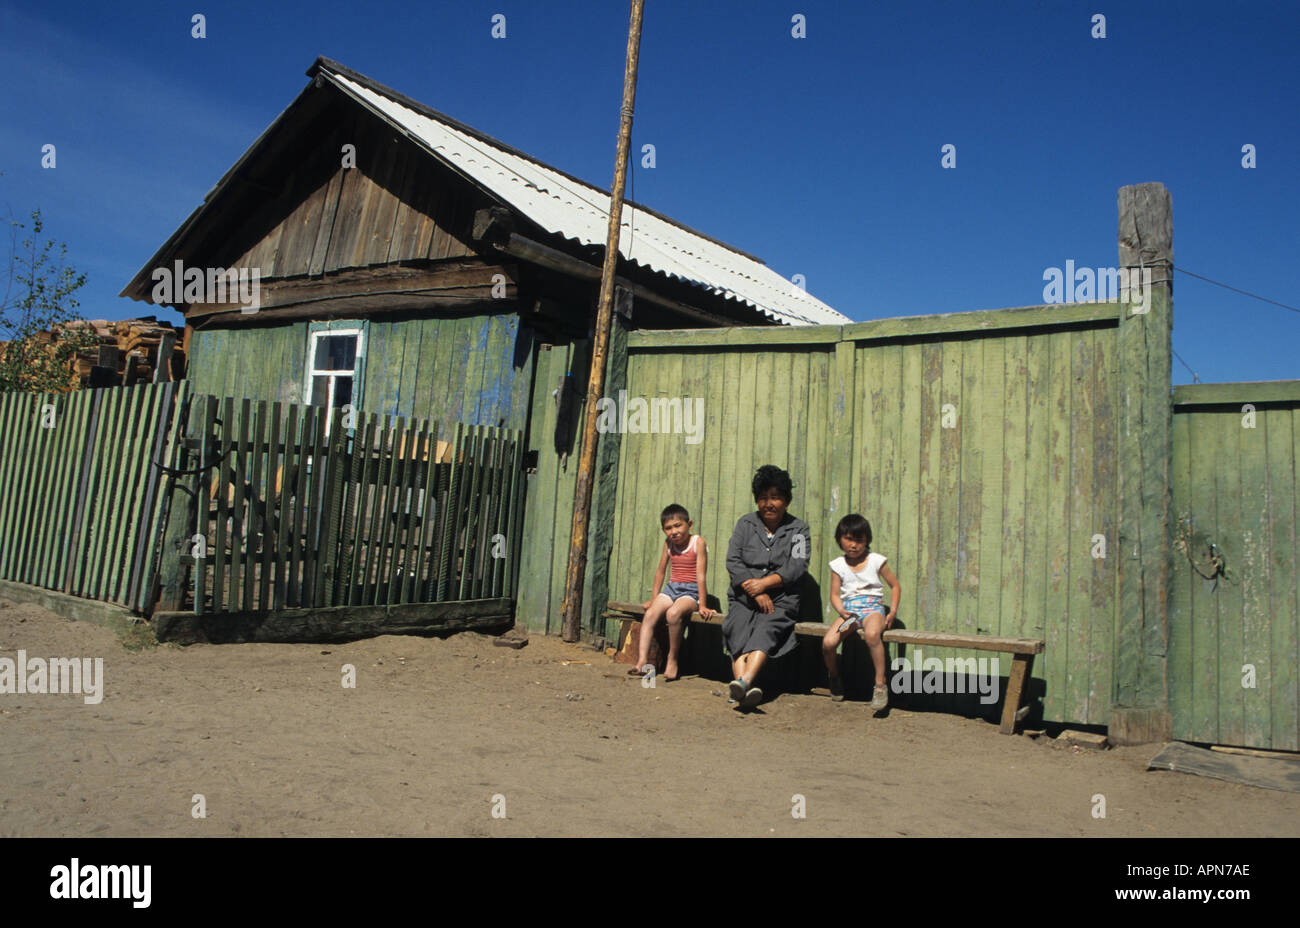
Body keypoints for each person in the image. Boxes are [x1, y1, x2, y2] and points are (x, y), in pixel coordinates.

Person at [722, 465, 810, 710]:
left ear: (786, 500)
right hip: (744, 598)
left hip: (782, 599)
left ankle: (743, 682)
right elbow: (733, 560)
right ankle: (742, 687)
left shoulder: (799, 530)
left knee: (767, 629)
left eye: (775, 497)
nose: (768, 504)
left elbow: (798, 566)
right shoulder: (745, 525)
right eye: (763, 498)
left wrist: (765, 584)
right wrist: (756, 591)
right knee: (735, 630)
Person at [630, 504, 716, 682]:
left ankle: (672, 659)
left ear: (689, 524)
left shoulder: (697, 542)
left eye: (678, 525)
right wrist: (655, 599)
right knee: (651, 614)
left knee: (673, 613)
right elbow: (661, 571)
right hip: (672, 588)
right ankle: (642, 661)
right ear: (663, 531)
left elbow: (701, 576)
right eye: (668, 528)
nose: (674, 531)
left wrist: (703, 603)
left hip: (691, 591)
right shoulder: (668, 544)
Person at [823, 513, 900, 710]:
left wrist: (892, 613)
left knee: (873, 635)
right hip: (851, 615)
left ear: (867, 540)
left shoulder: (876, 560)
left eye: (859, 540)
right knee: (829, 643)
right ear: (840, 539)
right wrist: (841, 610)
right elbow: (834, 595)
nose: (854, 545)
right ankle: (834, 676)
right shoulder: (838, 565)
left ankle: (880, 685)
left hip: (872, 610)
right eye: (849, 539)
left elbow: (895, 586)